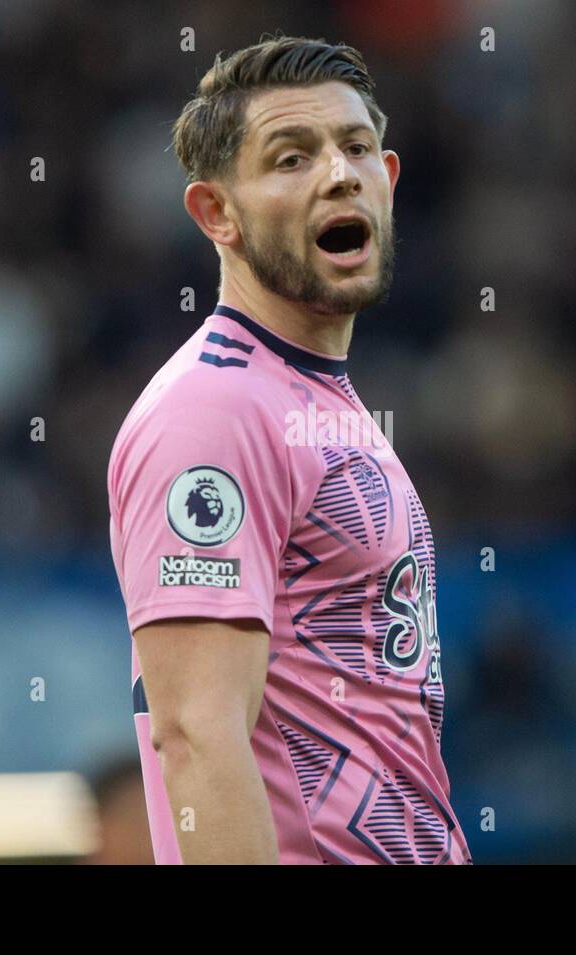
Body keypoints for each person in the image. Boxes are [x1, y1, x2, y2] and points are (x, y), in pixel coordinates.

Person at [106, 34, 471, 864]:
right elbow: (196, 733)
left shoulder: (314, 398)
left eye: (356, 148)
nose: (339, 173)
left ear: (390, 181)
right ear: (216, 213)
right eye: (290, 158)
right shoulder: (215, 407)